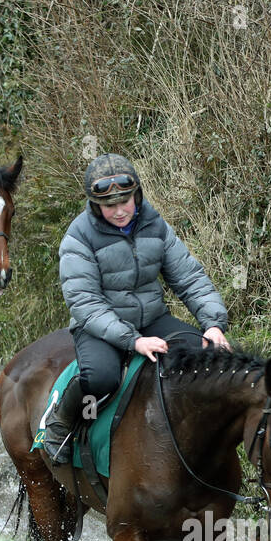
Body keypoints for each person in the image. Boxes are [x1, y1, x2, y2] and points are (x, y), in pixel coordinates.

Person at [41, 153, 232, 464]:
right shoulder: (78, 237)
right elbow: (85, 304)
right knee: (102, 378)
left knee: (209, 359)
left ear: (137, 195)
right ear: (94, 205)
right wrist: (134, 341)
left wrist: (213, 324)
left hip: (154, 318)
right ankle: (61, 419)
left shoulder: (155, 225)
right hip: (100, 328)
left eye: (125, 202)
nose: (119, 211)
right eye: (109, 205)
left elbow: (189, 277)